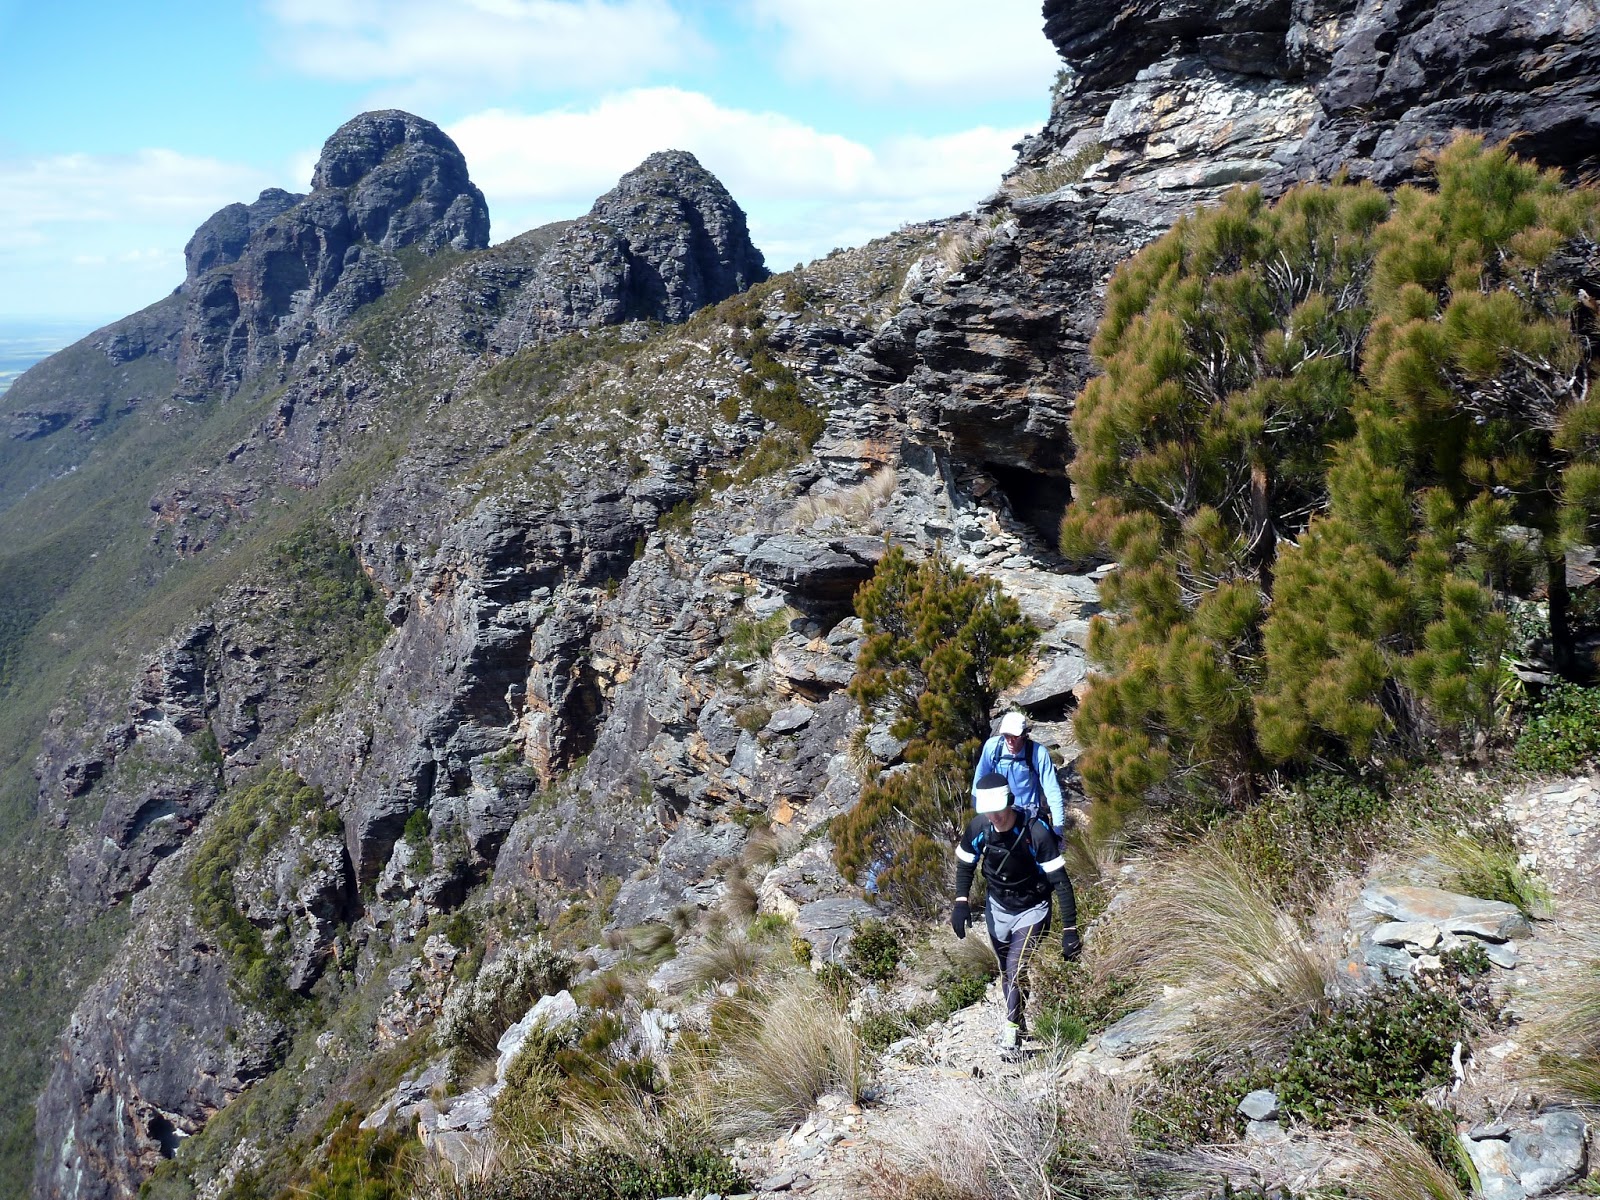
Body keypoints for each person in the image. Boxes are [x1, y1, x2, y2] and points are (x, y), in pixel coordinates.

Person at [951, 772, 1080, 1049]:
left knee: (1015, 964)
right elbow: (965, 864)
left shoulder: (1036, 833)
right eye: (988, 811)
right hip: (998, 907)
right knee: (1008, 972)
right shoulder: (979, 827)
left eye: (998, 810)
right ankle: (1019, 1024)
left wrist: (1070, 929)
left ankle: (1010, 1036)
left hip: (1033, 907)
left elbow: (1061, 882)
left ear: (1009, 802)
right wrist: (961, 901)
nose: (994, 817)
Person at [971, 711, 1067, 833]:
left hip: (1028, 816)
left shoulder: (1038, 753)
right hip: (1000, 813)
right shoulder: (992, 747)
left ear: (1024, 735)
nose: (1010, 741)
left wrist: (1058, 827)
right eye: (1006, 736)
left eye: (1015, 737)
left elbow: (1052, 789)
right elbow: (980, 778)